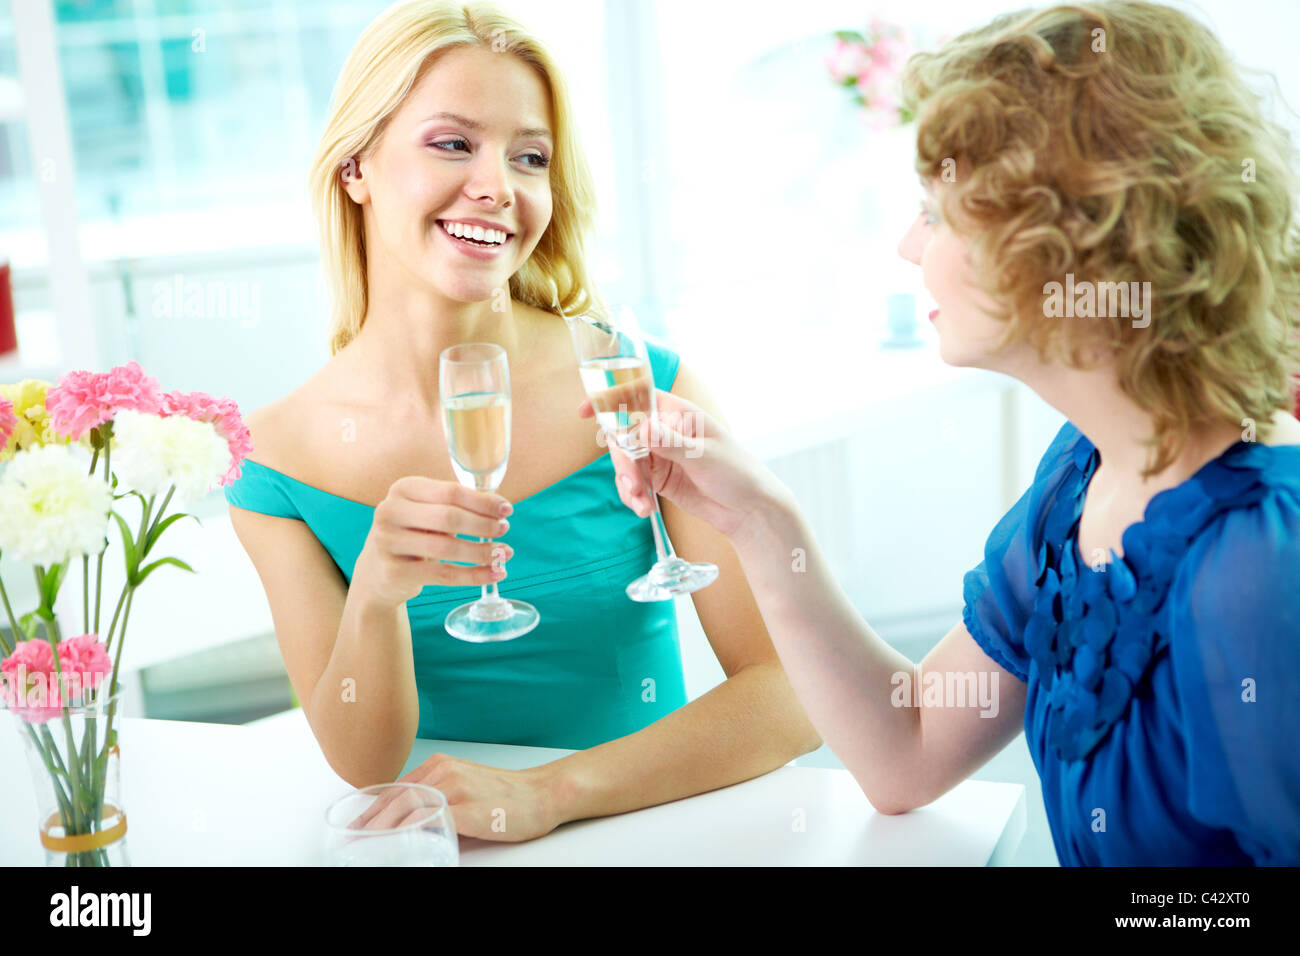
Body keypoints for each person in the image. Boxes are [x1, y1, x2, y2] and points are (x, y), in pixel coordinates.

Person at [585, 0, 1300, 865]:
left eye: (938, 207)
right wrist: (761, 521)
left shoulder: (1257, 563)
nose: (905, 243)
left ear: (1071, 237)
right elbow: (909, 748)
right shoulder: (1082, 473)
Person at [224, 0, 820, 843]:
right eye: (452, 142)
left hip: (648, 836)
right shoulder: (274, 459)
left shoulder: (639, 386)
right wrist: (377, 597)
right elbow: (364, 762)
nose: (498, 187)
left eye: (529, 156)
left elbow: (793, 694)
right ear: (356, 165)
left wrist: (550, 792)